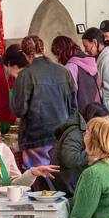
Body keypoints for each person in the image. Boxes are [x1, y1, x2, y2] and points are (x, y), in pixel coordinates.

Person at [11, 35, 76, 168]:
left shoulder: (25, 75)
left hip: (36, 137)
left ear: (24, 54)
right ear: (44, 49)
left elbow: (19, 110)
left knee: (39, 180)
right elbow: (73, 107)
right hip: (62, 135)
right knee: (59, 177)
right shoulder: (64, 71)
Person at [52, 102, 109, 195]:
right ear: (93, 120)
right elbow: (69, 159)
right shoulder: (75, 133)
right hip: (69, 187)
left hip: (76, 182)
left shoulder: (86, 131)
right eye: (103, 123)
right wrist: (96, 151)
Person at [85, 25, 109, 128]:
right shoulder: (108, 58)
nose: (85, 50)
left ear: (95, 42)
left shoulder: (108, 60)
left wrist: (94, 89)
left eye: (86, 46)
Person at [53, 35, 102, 111]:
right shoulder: (91, 61)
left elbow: (69, 97)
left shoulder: (70, 68)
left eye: (57, 55)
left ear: (61, 52)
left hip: (81, 114)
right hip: (97, 110)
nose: (57, 59)